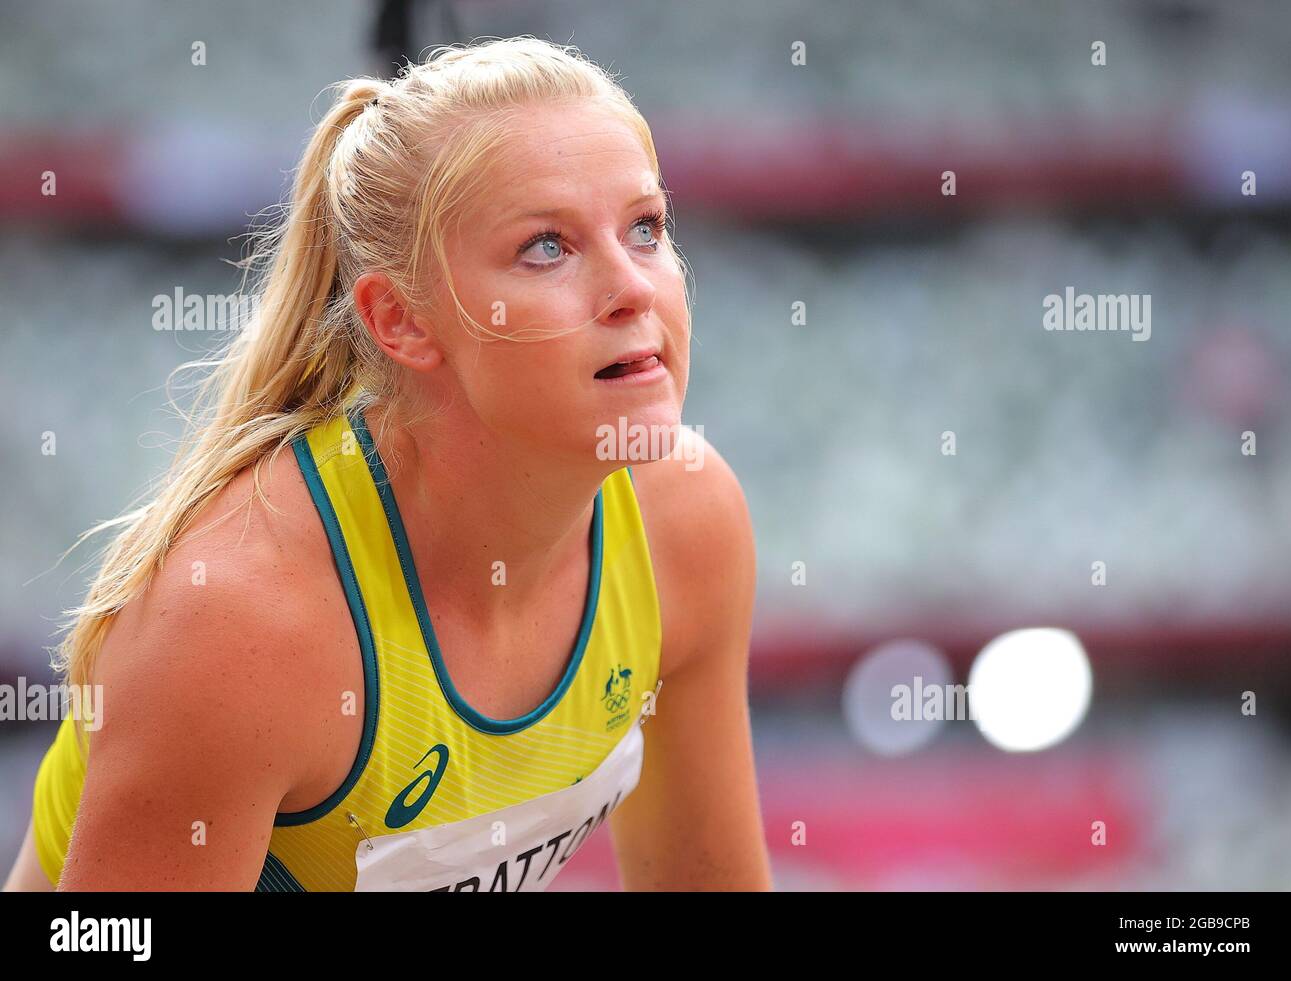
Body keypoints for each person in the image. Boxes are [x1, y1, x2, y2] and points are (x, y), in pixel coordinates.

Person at [3, 36, 770, 891]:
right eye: (547, 247)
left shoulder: (689, 521)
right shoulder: (244, 620)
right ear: (400, 321)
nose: (636, 287)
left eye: (646, 228)